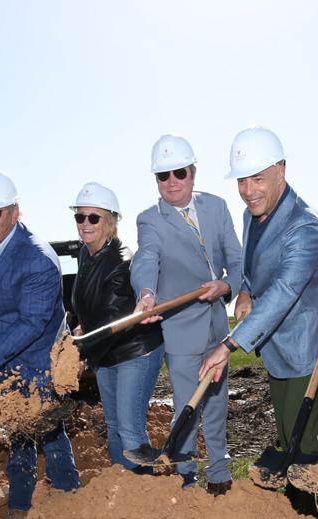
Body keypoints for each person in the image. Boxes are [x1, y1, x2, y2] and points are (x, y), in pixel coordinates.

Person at [199, 126, 318, 515]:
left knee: (301, 443)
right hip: (276, 347)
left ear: (282, 170)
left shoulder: (305, 226)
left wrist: (230, 344)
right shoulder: (252, 215)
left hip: (303, 345)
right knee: (286, 433)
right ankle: (295, 517)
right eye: (242, 180)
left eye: (257, 178)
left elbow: (282, 292)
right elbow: (251, 269)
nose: (248, 190)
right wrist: (243, 291)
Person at [0, 168, 79, 517]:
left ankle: (70, 501)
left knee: (48, 429)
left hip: (39, 355)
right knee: (16, 431)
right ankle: (20, 508)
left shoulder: (37, 259)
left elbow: (33, 322)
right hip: (3, 353)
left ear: (15, 211)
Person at [130, 134, 243, 495]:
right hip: (180, 329)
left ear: (193, 173)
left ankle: (220, 471)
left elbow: (237, 260)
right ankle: (187, 472)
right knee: (186, 404)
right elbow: (146, 258)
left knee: (216, 400)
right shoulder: (150, 220)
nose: (172, 182)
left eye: (179, 172)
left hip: (216, 324)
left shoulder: (217, 207)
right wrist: (146, 293)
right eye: (163, 176)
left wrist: (227, 287)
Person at [67, 182, 164, 472]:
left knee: (130, 429)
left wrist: (79, 352)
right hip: (105, 352)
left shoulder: (120, 261)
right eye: (80, 217)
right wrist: (80, 328)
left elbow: (113, 317)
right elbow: (90, 307)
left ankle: (142, 496)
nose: (85, 224)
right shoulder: (86, 254)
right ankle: (121, 490)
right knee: (113, 426)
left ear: (110, 221)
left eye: (93, 218)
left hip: (135, 352)